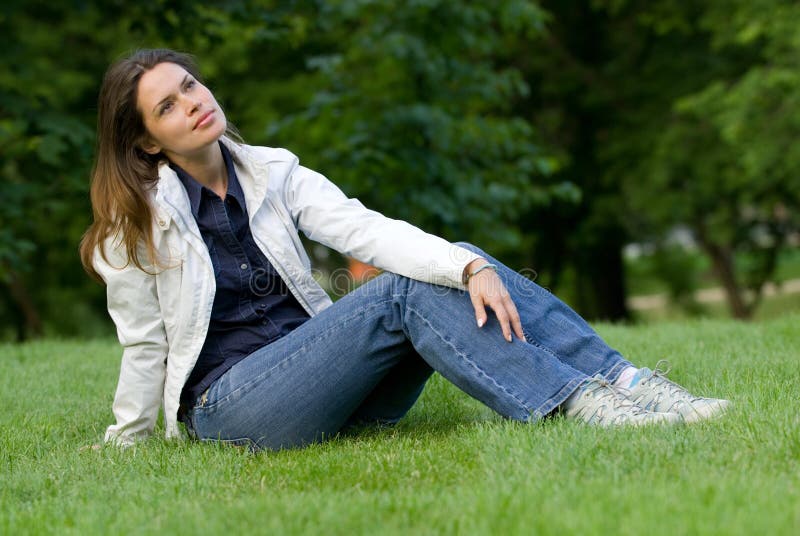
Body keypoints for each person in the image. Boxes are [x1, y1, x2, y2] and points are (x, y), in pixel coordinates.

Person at [80, 49, 729, 451]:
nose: (194, 103)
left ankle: (630, 383)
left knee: (454, 258)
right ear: (148, 143)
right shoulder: (132, 228)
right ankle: (577, 403)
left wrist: (469, 265)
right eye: (169, 106)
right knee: (402, 287)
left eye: (190, 85)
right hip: (232, 407)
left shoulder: (273, 172)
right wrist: (128, 439)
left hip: (329, 391)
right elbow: (145, 344)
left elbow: (367, 231)